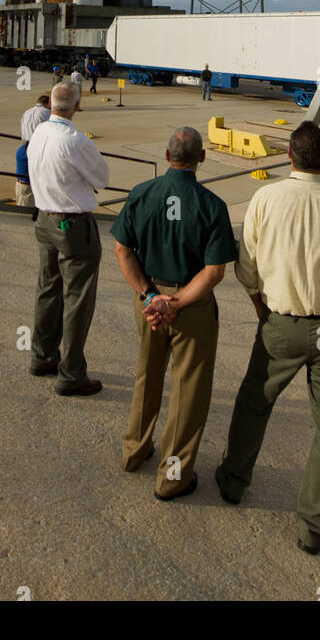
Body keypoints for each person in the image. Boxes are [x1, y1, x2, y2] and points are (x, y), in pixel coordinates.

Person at [215, 121, 320, 554]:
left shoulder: (265, 198)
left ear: (289, 156)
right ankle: (315, 528)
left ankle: (233, 481)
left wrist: (261, 308)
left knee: (255, 402)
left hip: (281, 325)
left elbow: (246, 264)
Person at [112, 127, 238, 500]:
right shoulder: (213, 206)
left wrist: (149, 295)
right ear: (201, 159)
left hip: (149, 299)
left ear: (167, 157)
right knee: (188, 392)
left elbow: (122, 249)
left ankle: (134, 451)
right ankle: (172, 478)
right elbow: (214, 271)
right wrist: (178, 303)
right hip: (191, 305)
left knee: (147, 375)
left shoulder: (141, 194)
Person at [27, 82, 109, 395]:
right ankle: (72, 373)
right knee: (78, 299)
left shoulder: (39, 134)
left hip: (45, 221)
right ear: (76, 106)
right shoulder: (75, 140)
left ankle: (42, 355)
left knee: (48, 289)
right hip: (73, 226)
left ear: (50, 105)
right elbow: (102, 178)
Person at [15, 142, 34, 207]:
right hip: (26, 187)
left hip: (24, 186)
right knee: (25, 211)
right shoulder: (26, 151)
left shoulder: (23, 149)